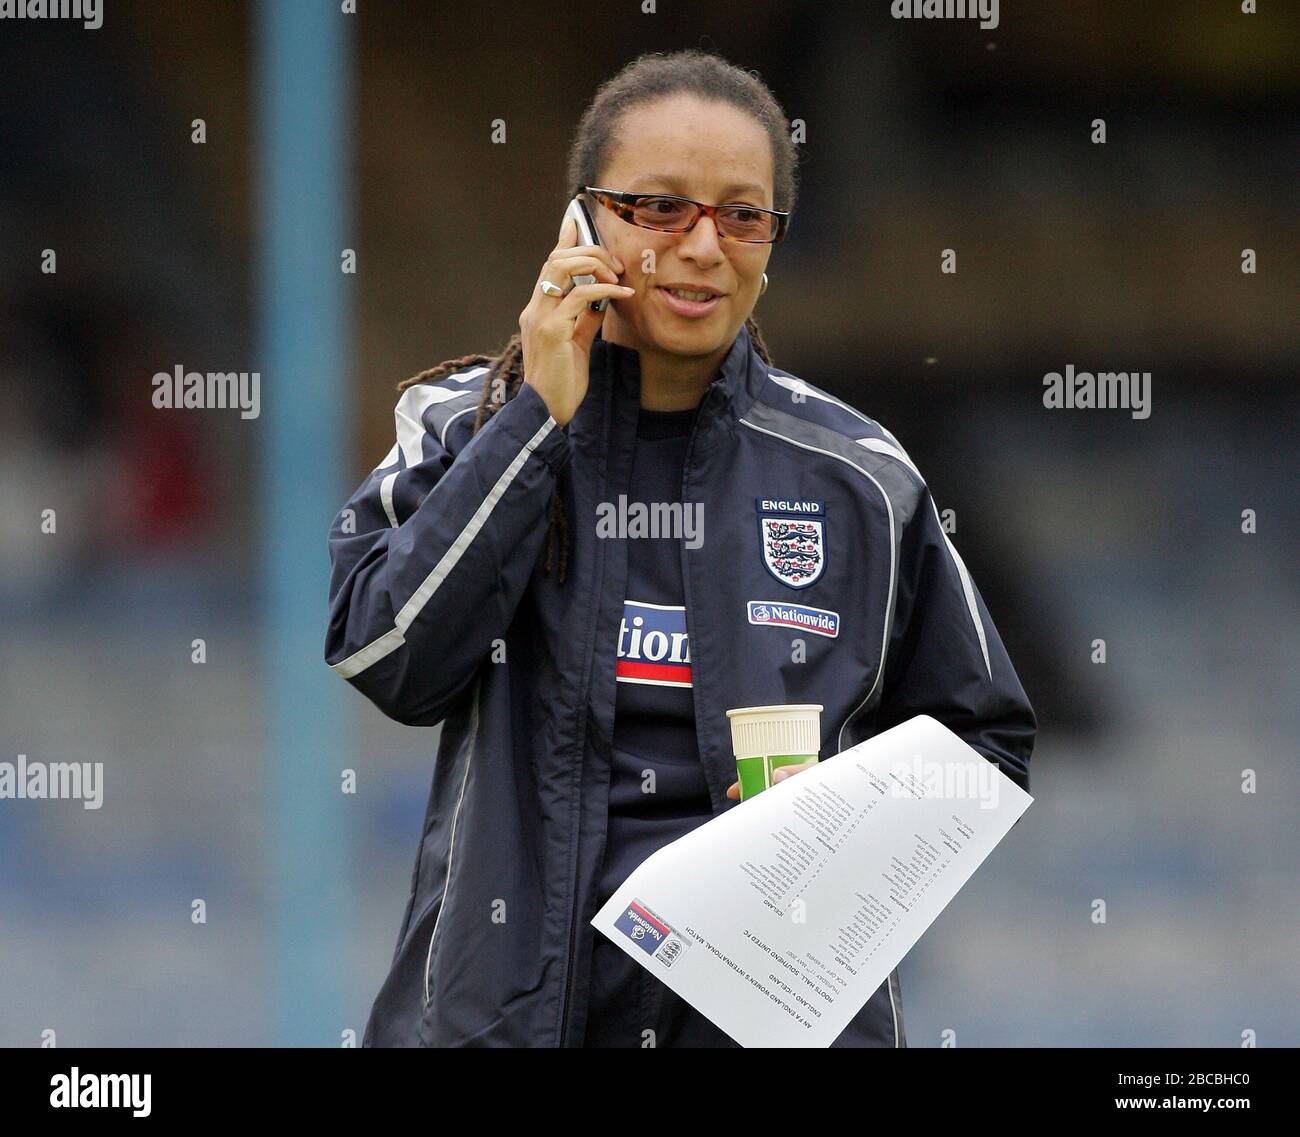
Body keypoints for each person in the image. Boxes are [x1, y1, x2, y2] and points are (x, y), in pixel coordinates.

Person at [325, 49, 1036, 1048]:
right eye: (659, 206)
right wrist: (539, 417)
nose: (703, 245)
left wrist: (847, 825)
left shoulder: (861, 479)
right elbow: (385, 658)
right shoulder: (461, 424)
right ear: (585, 222)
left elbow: (985, 743)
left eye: (741, 214)